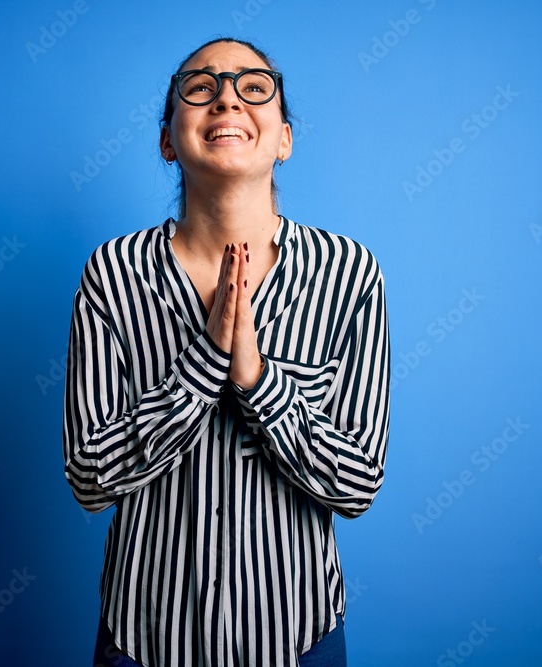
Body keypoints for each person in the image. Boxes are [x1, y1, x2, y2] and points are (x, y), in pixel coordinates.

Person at [63, 37, 390, 667]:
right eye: (200, 87)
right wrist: (207, 359)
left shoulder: (349, 274)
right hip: (144, 639)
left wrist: (255, 377)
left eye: (253, 86)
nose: (227, 99)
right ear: (167, 141)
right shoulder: (112, 274)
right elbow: (90, 478)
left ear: (284, 138)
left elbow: (355, 485)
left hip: (298, 639)